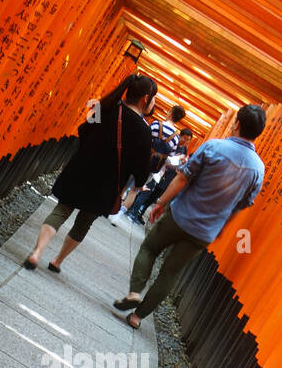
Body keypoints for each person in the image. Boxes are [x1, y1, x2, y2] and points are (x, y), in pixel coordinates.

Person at [113, 103, 266, 327]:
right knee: (170, 272)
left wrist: (160, 202)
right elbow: (240, 205)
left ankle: (135, 292)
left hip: (180, 215)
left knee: (149, 248)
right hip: (204, 232)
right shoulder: (258, 170)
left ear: (238, 124)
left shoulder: (214, 147)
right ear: (258, 132)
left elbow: (183, 178)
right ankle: (137, 317)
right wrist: (221, 227)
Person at [25, 72, 157, 272]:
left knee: (60, 210)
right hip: (108, 183)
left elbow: (83, 130)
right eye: (154, 99)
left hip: (81, 168)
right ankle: (57, 261)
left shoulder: (104, 105)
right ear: (145, 98)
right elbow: (141, 167)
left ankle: (37, 252)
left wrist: (91, 151)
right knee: (84, 223)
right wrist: (138, 185)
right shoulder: (144, 131)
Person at [112, 104, 186, 221]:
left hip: (139, 159)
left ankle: (112, 208)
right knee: (134, 190)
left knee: (124, 184)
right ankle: (118, 216)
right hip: (152, 167)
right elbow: (170, 156)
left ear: (170, 113)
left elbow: (144, 138)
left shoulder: (157, 124)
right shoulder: (176, 137)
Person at [127, 127, 193, 224]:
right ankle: (132, 210)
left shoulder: (184, 149)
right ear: (180, 136)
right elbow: (166, 156)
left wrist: (181, 163)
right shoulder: (173, 143)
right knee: (146, 190)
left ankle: (137, 211)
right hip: (158, 170)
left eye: (188, 140)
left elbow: (179, 163)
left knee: (152, 195)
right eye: (184, 138)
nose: (185, 141)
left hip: (167, 175)